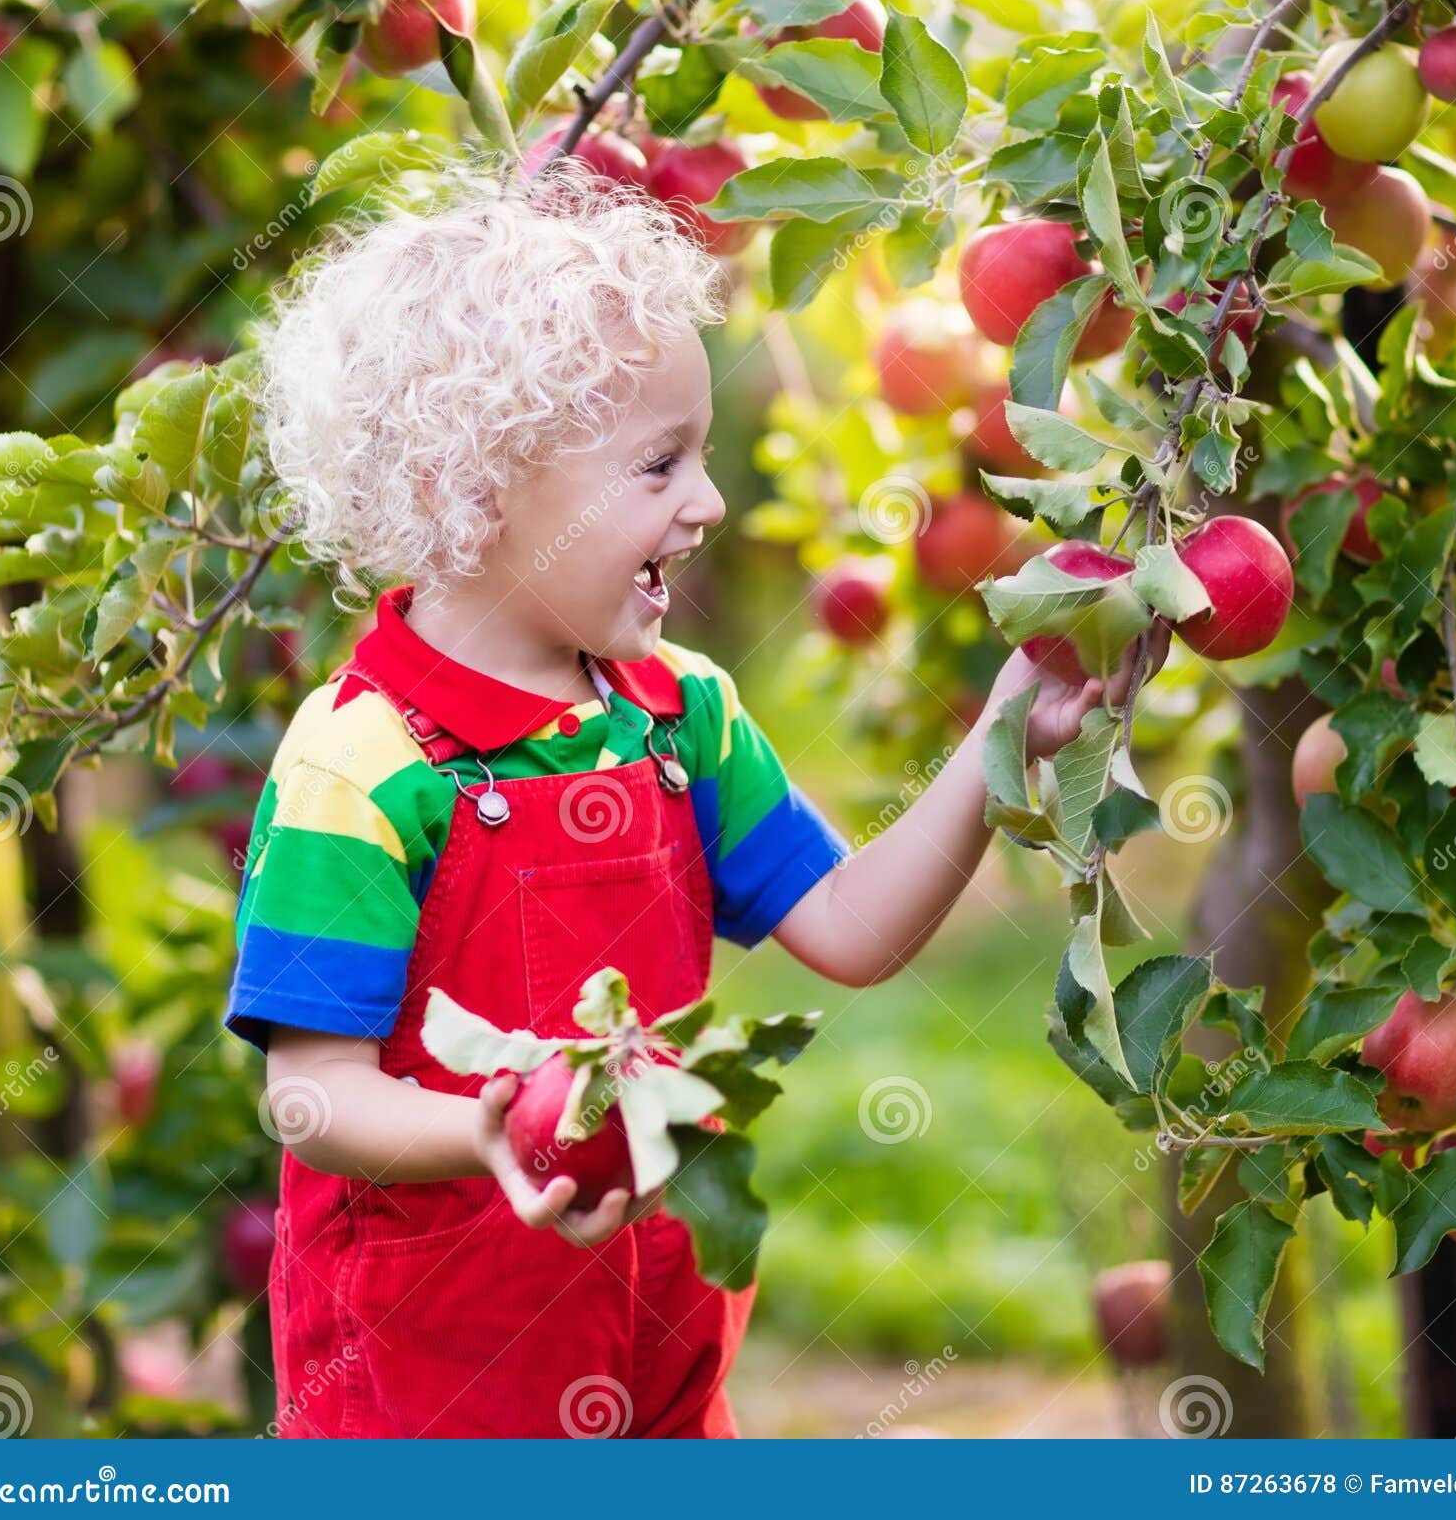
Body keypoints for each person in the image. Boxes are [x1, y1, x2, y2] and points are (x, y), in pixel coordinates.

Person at [224, 155, 1154, 1438]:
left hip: (659, 1347)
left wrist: (1005, 736)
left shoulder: (679, 715)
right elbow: (312, 1094)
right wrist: (492, 1134)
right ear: (472, 492)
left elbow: (850, 928)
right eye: (657, 467)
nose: (711, 503)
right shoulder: (362, 763)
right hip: (427, 1389)